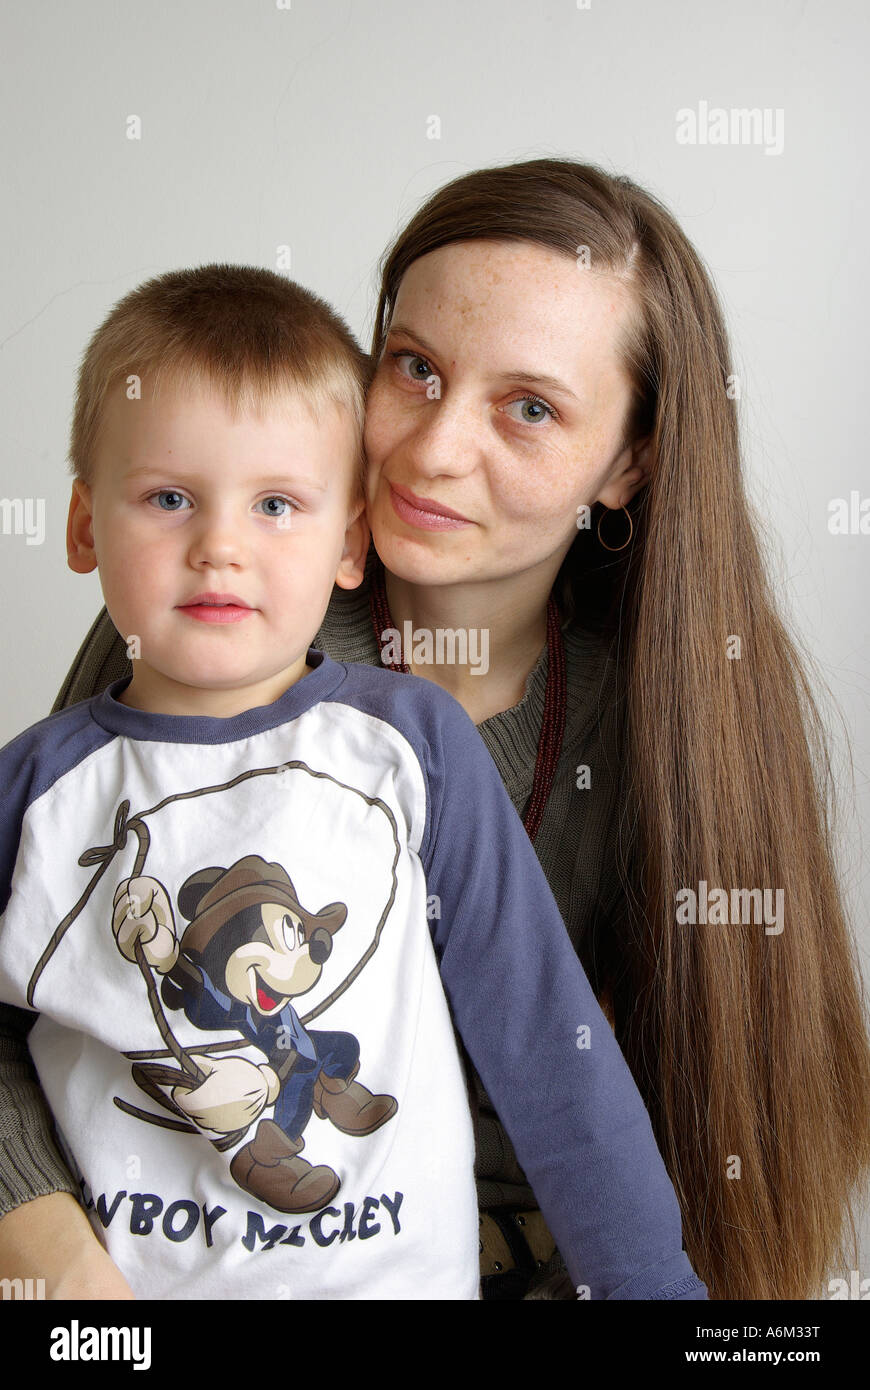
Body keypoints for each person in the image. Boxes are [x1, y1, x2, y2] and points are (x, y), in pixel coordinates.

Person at [2, 158, 869, 1302]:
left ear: (630, 462)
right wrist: (46, 1238)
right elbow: (45, 984)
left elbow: (613, 1119)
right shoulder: (204, 628)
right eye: (413, 368)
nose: (433, 447)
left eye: (529, 407)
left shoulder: (671, 722)